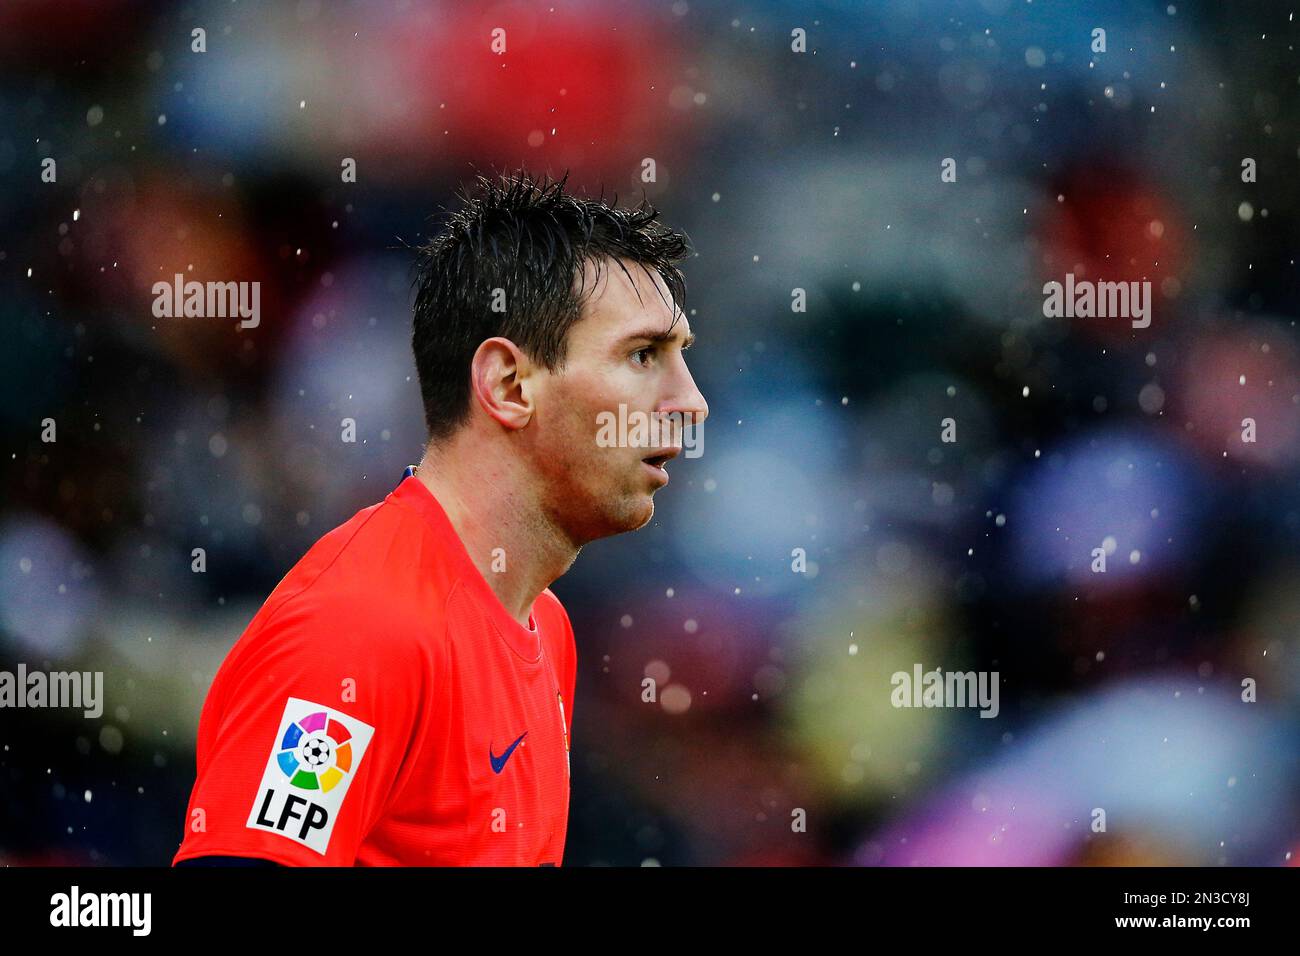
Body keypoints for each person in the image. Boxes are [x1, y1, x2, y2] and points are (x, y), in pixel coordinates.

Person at [172, 169, 708, 866]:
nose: (690, 403)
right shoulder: (358, 630)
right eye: (643, 355)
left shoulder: (545, 625)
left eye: (680, 358)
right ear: (509, 386)